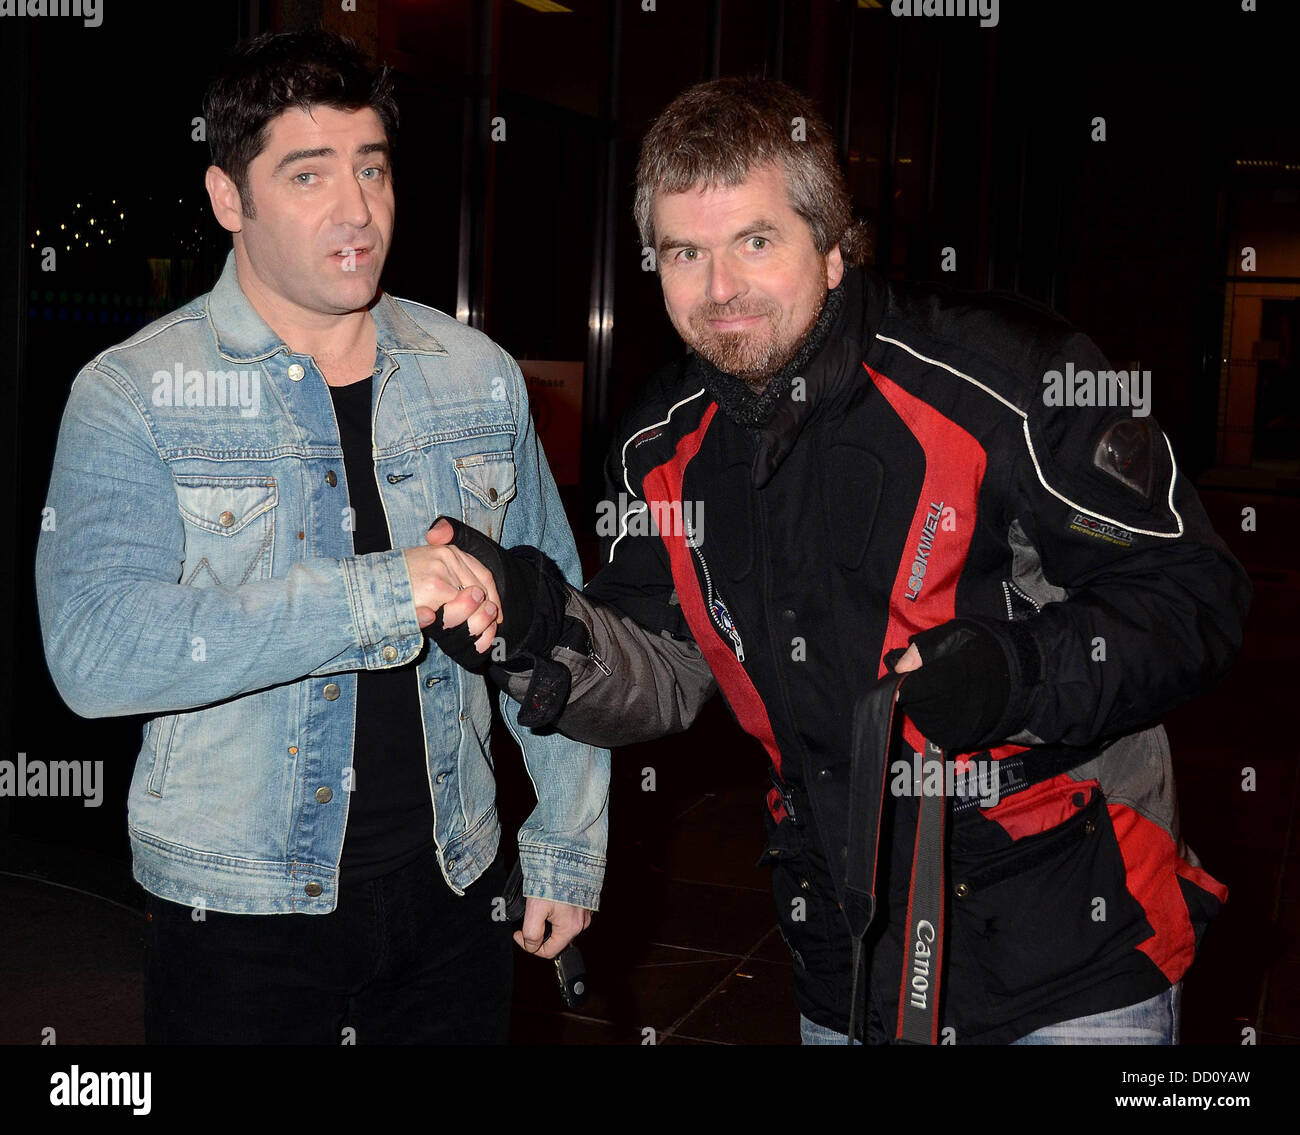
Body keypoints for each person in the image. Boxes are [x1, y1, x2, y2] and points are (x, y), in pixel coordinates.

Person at [424, 77, 1251, 1045]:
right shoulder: (661, 440)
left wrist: (1017, 673)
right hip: (844, 954)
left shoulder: (1011, 374)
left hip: (1070, 946)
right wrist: (537, 625)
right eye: (686, 252)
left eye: (755, 241)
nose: (718, 287)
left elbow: (1194, 598)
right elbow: (667, 672)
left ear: (831, 247)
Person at [34, 29, 609, 1045]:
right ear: (228, 199)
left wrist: (566, 839)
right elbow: (96, 653)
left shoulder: (474, 375)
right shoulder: (136, 393)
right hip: (238, 916)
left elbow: (554, 617)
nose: (355, 210)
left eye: (372, 169)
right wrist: (382, 592)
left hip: (455, 882)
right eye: (307, 175)